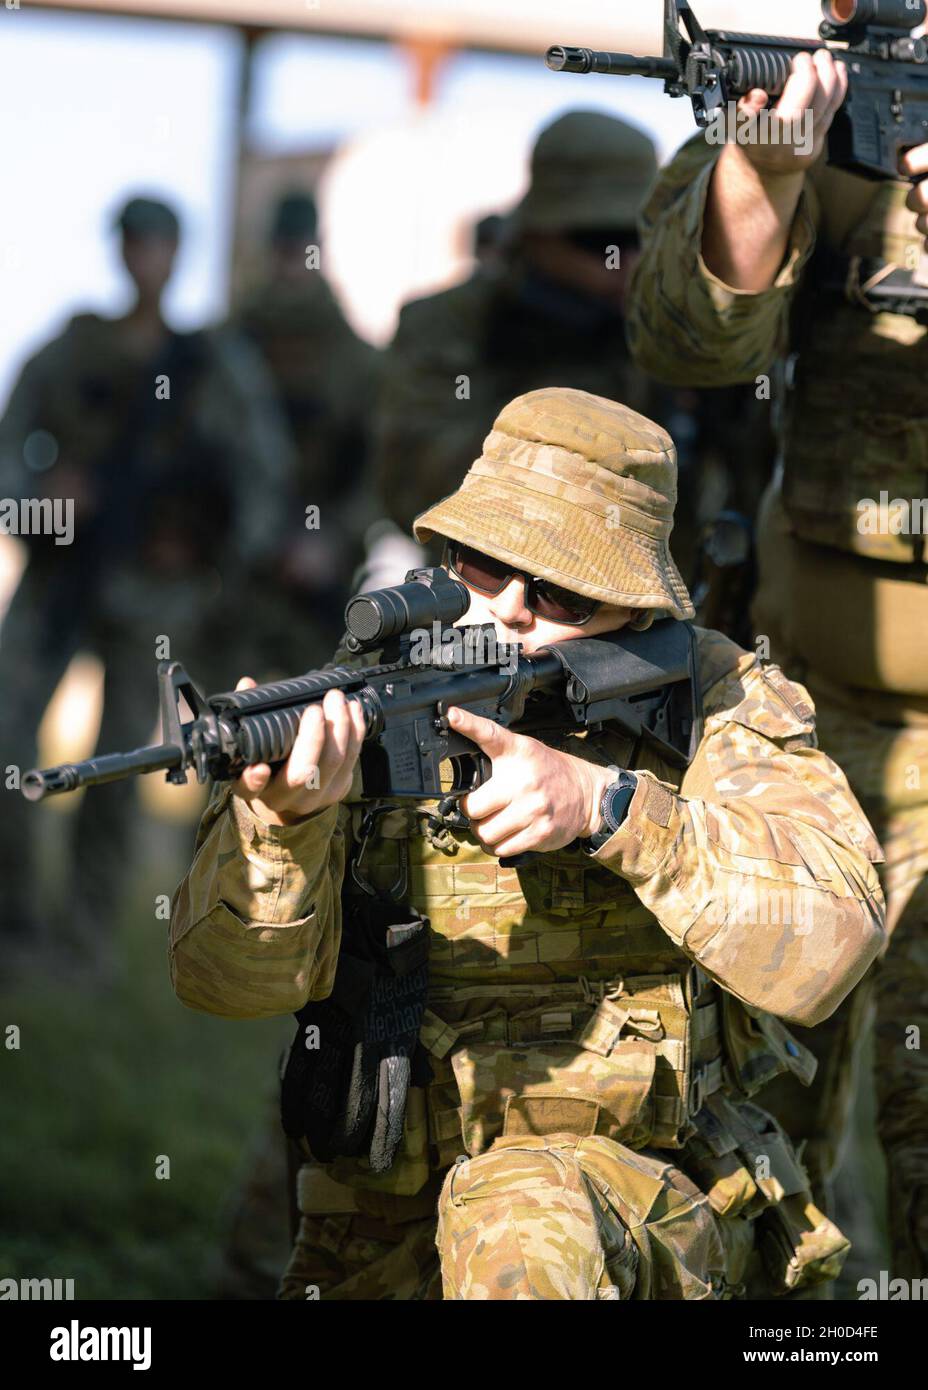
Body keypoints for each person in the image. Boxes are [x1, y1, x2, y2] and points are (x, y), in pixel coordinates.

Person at [170, 387, 884, 1300]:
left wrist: (611, 811)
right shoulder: (367, 698)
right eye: (479, 565)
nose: (507, 609)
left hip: (638, 1206)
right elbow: (221, 985)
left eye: (557, 589)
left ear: (632, 607)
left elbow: (834, 945)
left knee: (523, 1208)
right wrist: (281, 829)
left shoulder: (719, 700)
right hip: (390, 1223)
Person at [624, 49, 928, 1277]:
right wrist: (762, 176)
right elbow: (682, 337)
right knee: (756, 1139)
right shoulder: (846, 150)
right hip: (809, 721)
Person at [0, 195, 292, 973]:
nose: (146, 258)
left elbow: (262, 475)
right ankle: (16, 922)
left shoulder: (210, 362)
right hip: (65, 575)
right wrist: (45, 498)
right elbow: (11, 457)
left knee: (120, 765)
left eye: (159, 243)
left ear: (177, 253)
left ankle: (83, 944)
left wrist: (204, 551)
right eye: (134, 242)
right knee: (7, 731)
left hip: (153, 596)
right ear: (119, 249)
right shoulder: (73, 348)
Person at [372, 109, 773, 593]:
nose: (624, 262)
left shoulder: (663, 328)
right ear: (536, 234)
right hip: (496, 605)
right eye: (599, 241)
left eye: (640, 238)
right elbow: (411, 492)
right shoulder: (452, 326)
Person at [234, 190, 381, 665]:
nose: (291, 264)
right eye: (283, 250)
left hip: (322, 573)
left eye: (300, 250)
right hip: (234, 575)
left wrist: (332, 539)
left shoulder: (354, 359)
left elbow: (382, 467)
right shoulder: (231, 347)